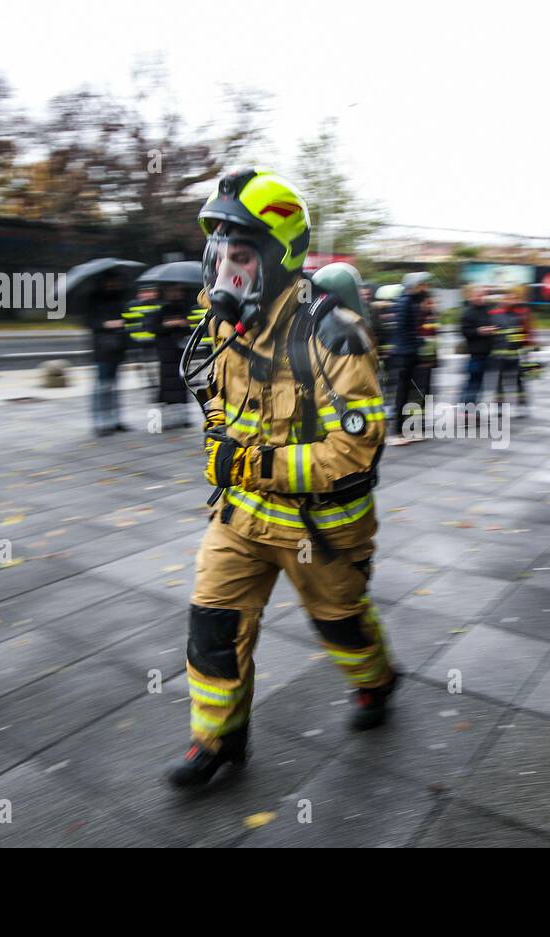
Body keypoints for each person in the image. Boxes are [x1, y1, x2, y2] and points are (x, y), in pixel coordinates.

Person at [166, 168, 398, 788]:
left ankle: (376, 680)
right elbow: (216, 397)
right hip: (240, 517)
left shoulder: (333, 335)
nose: (224, 268)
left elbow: (355, 450)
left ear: (276, 254)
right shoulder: (222, 322)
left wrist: (250, 463)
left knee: (341, 624)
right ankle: (217, 740)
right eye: (218, 251)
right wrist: (220, 435)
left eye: (238, 252)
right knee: (212, 621)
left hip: (320, 529)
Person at [389, 272, 432, 438]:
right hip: (405, 354)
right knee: (404, 392)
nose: (424, 288)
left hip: (407, 352)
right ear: (414, 286)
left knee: (408, 391)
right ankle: (399, 427)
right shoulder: (406, 302)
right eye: (422, 285)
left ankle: (405, 425)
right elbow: (404, 330)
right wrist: (420, 342)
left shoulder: (409, 301)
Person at [86, 273, 129, 436]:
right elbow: (91, 323)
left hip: (118, 348)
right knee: (102, 387)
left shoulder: (119, 298)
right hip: (102, 350)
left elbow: (127, 319)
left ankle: (115, 421)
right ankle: (100, 423)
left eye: (115, 280)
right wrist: (109, 324)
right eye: (110, 281)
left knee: (115, 387)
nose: (113, 283)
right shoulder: (94, 300)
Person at [153, 283, 194, 429]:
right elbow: (154, 328)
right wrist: (169, 324)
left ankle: (182, 418)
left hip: (180, 351)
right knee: (167, 386)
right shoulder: (161, 310)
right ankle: (164, 421)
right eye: (173, 291)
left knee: (181, 385)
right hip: (167, 353)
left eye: (178, 290)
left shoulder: (184, 308)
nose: (176, 294)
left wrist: (183, 323)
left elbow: (189, 328)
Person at [459, 286, 497, 406]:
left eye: (482, 295)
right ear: (471, 297)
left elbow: (496, 325)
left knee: (480, 383)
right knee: (473, 382)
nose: (480, 298)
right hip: (475, 354)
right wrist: (478, 331)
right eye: (478, 295)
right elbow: (464, 332)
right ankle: (466, 407)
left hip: (488, 353)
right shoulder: (468, 312)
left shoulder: (488, 310)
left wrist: (492, 329)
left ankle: (472, 406)